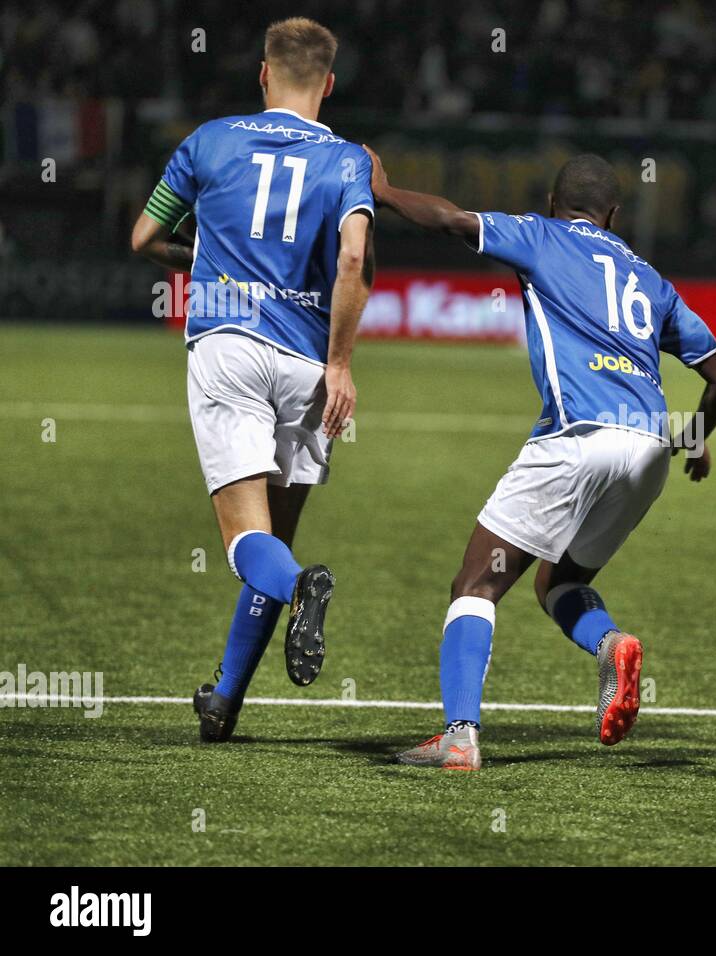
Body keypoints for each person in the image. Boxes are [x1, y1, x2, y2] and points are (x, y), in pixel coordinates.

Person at [366, 148, 716, 770]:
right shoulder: (651, 279)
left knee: (475, 584)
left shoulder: (540, 235)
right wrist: (695, 435)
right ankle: (610, 643)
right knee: (559, 582)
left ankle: (459, 736)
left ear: (552, 203)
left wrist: (384, 192)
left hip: (578, 436)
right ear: (613, 214)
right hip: (648, 451)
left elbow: (451, 220)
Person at [130, 17, 375, 741]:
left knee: (249, 545)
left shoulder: (208, 141)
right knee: (276, 537)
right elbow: (354, 261)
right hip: (307, 364)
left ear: (264, 74)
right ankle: (225, 700)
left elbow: (144, 237)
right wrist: (341, 364)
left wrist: (203, 258)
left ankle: (301, 586)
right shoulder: (348, 160)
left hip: (229, 347)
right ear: (329, 85)